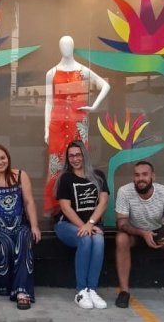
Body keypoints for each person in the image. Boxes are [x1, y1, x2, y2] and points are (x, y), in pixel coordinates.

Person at [114, 161, 164, 310]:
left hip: (158, 231)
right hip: (135, 232)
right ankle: (124, 292)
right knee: (121, 239)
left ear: (153, 176)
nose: (140, 178)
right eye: (137, 175)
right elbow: (121, 223)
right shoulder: (124, 191)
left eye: (145, 174)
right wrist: (142, 233)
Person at [43, 35, 110, 214]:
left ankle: (80, 204)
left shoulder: (82, 71)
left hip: (78, 122)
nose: (66, 48)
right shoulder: (51, 73)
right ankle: (57, 209)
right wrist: (46, 129)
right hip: (57, 124)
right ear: (59, 47)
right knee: (56, 165)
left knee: (80, 161)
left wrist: (94, 106)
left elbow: (105, 85)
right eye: (63, 45)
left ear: (73, 47)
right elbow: (48, 102)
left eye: (69, 45)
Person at [0, 145, 41, 310]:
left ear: (8, 158)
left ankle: (22, 292)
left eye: (3, 158)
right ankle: (4, 285)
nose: (0, 162)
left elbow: (29, 202)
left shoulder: (20, 175)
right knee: (5, 245)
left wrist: (34, 226)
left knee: (24, 240)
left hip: (20, 224)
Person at [54, 140, 109, 310]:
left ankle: (92, 289)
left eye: (78, 155)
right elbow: (65, 207)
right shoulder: (65, 178)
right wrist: (85, 226)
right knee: (85, 239)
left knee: (98, 240)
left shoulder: (98, 176)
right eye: (71, 156)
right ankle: (81, 291)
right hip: (66, 225)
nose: (75, 159)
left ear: (84, 155)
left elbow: (103, 202)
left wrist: (90, 224)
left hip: (91, 225)